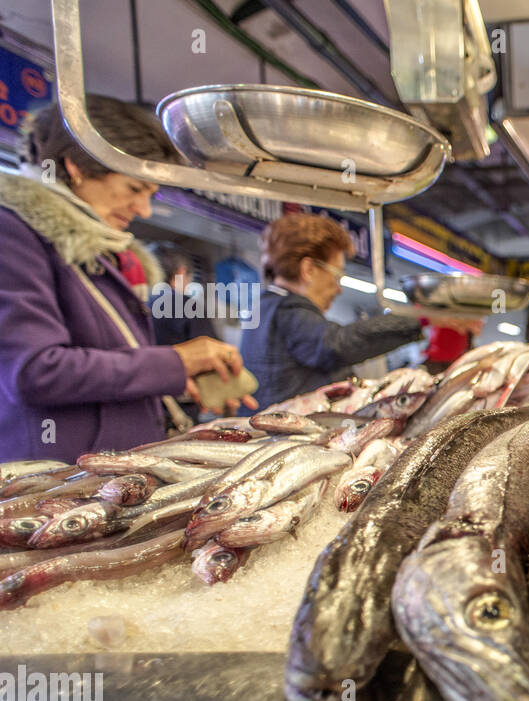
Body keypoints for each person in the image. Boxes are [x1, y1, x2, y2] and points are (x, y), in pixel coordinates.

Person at [0, 95, 252, 462]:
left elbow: (104, 363)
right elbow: (35, 371)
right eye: (134, 189)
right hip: (61, 481)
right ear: (77, 167)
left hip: (112, 475)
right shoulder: (13, 233)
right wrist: (176, 360)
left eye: (150, 194)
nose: (144, 210)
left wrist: (175, 381)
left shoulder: (97, 247)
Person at [243, 213, 469, 407]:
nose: (338, 288)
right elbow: (337, 345)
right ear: (309, 269)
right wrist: (422, 318)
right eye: (337, 274)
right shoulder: (286, 308)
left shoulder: (266, 306)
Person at [147, 242, 219, 346]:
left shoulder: (139, 301)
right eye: (189, 279)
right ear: (181, 273)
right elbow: (213, 351)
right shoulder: (186, 305)